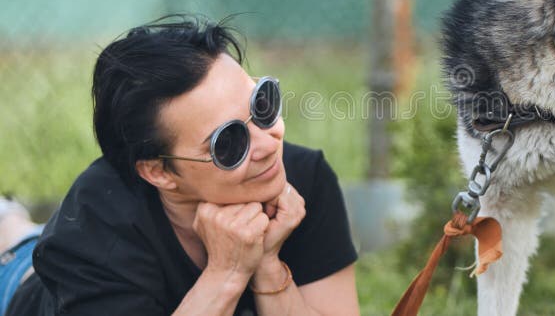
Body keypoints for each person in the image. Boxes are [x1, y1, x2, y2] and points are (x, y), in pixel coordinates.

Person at [1, 16, 359, 315]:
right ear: (158, 172)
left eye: (262, 105)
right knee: (18, 252)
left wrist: (267, 264)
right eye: (228, 142)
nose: (268, 144)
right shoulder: (92, 234)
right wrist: (228, 271)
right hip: (22, 290)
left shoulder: (302, 180)